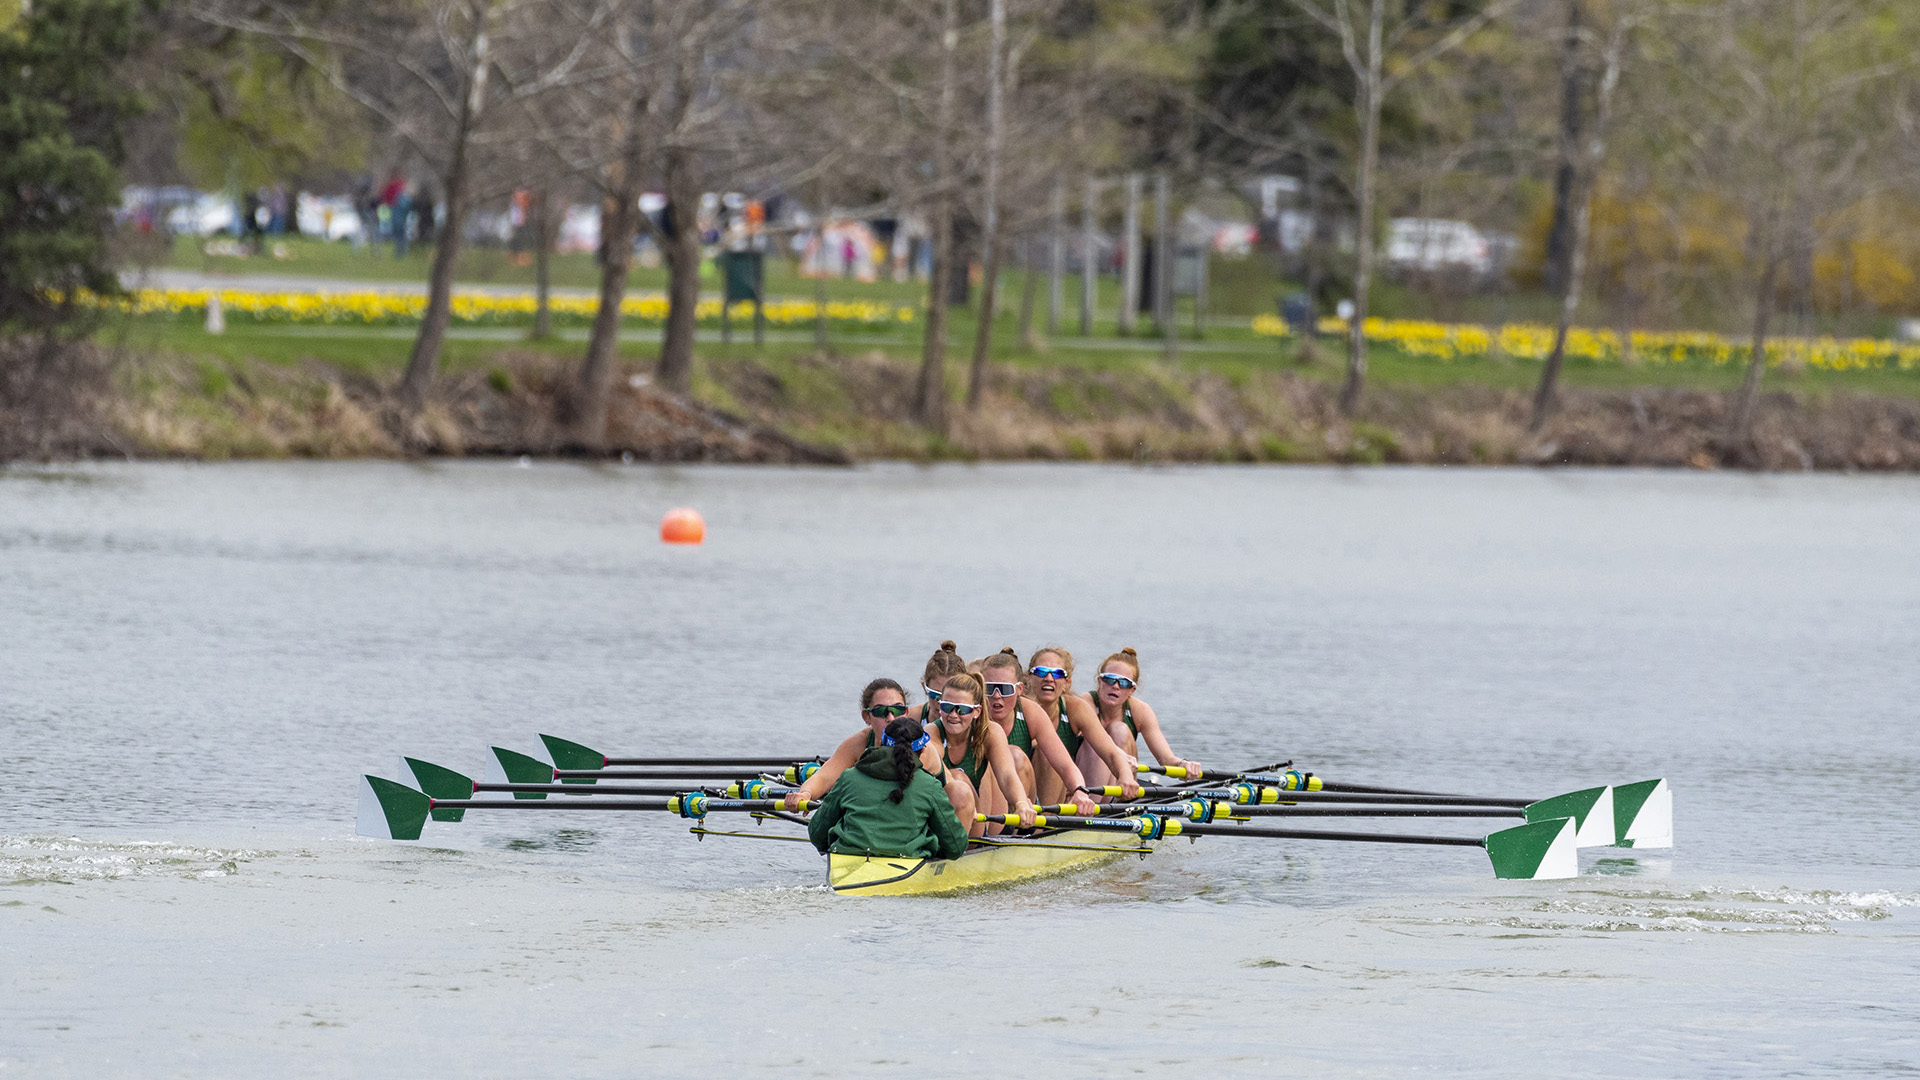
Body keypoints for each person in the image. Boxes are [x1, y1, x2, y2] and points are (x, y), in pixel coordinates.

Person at [808, 715, 970, 862]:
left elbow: (817, 834)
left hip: (846, 858)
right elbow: (955, 847)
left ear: (882, 743)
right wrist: (931, 845)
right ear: (922, 750)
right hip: (907, 864)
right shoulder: (930, 785)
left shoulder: (849, 777)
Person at [783, 678, 942, 811]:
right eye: (881, 711)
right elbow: (824, 777)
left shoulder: (920, 747)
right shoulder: (858, 743)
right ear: (866, 716)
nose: (891, 718)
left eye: (897, 709)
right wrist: (805, 794)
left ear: (906, 713)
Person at [978, 648, 1099, 815]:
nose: (996, 696)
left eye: (1005, 689)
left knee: (1018, 756)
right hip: (984, 799)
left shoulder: (1031, 712)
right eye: (989, 688)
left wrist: (1080, 791)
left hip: (1021, 803)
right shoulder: (967, 712)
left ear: (1019, 689)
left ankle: (1036, 830)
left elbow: (1065, 765)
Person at [1024, 646, 1141, 803]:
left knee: (1094, 747)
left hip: (1060, 795)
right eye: (1041, 672)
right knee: (1047, 752)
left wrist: (1125, 775)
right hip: (1024, 794)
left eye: (1058, 673)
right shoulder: (1016, 708)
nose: (1049, 678)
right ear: (1028, 679)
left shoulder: (1076, 708)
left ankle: (1088, 809)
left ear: (1067, 683)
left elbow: (1111, 753)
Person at [928, 671, 1037, 835]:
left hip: (977, 821)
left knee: (960, 780)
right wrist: (963, 801)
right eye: (947, 707)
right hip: (947, 813)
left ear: (977, 711)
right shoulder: (930, 734)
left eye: (962, 710)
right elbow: (946, 778)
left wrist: (1021, 803)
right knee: (957, 781)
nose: (953, 715)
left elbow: (1007, 775)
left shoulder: (991, 732)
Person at [1079, 647, 1201, 784]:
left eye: (1124, 682)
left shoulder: (1141, 711)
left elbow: (1166, 760)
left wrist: (1183, 765)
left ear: (1132, 690)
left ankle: (1120, 795)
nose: (1116, 686)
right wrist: (1120, 755)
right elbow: (1100, 741)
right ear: (1100, 681)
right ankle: (1091, 800)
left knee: (1119, 730)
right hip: (1082, 783)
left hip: (1121, 788)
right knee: (1094, 741)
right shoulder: (1084, 704)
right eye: (1110, 679)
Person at [919, 640, 970, 723]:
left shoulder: (983, 726)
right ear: (924, 688)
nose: (941, 702)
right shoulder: (912, 718)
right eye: (935, 695)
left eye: (950, 696)